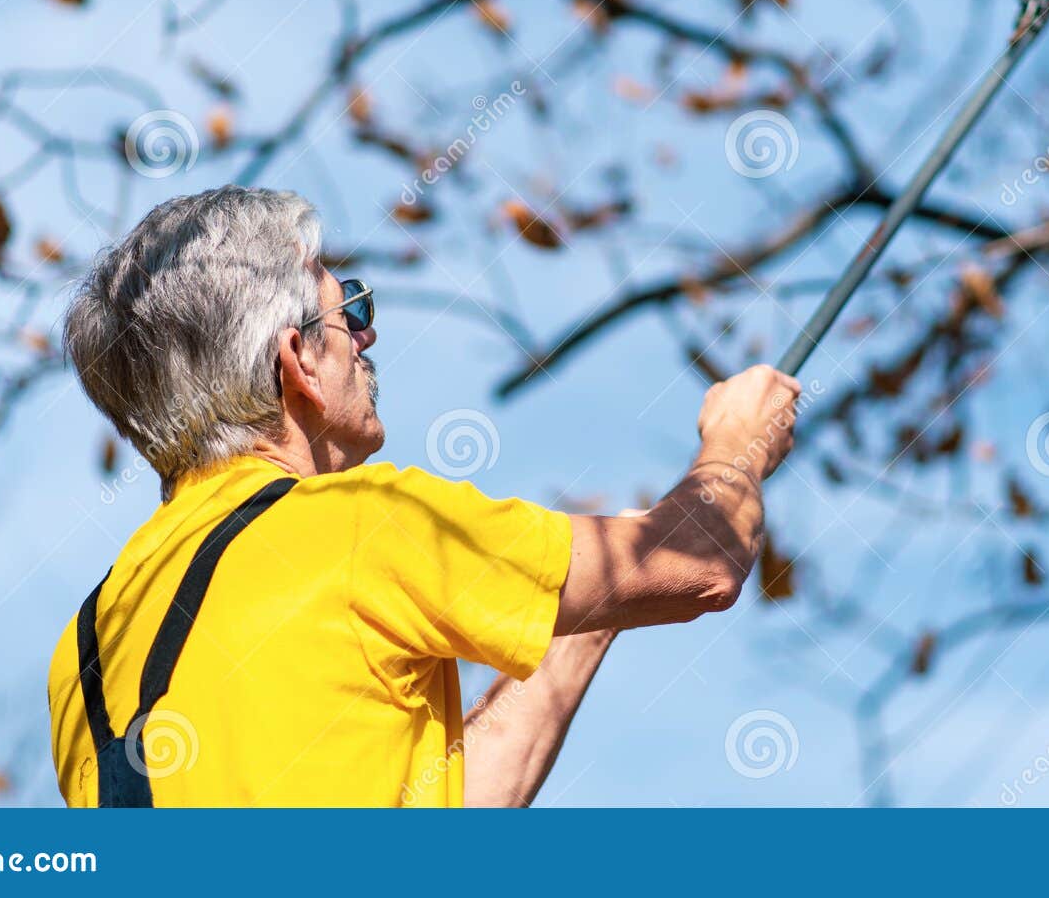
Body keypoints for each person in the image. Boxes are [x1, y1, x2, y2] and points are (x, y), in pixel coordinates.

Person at [46, 186, 800, 806]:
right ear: (298, 360)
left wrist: (584, 617)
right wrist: (739, 438)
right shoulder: (360, 525)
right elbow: (702, 560)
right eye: (352, 312)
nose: (367, 339)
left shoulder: (85, 652)